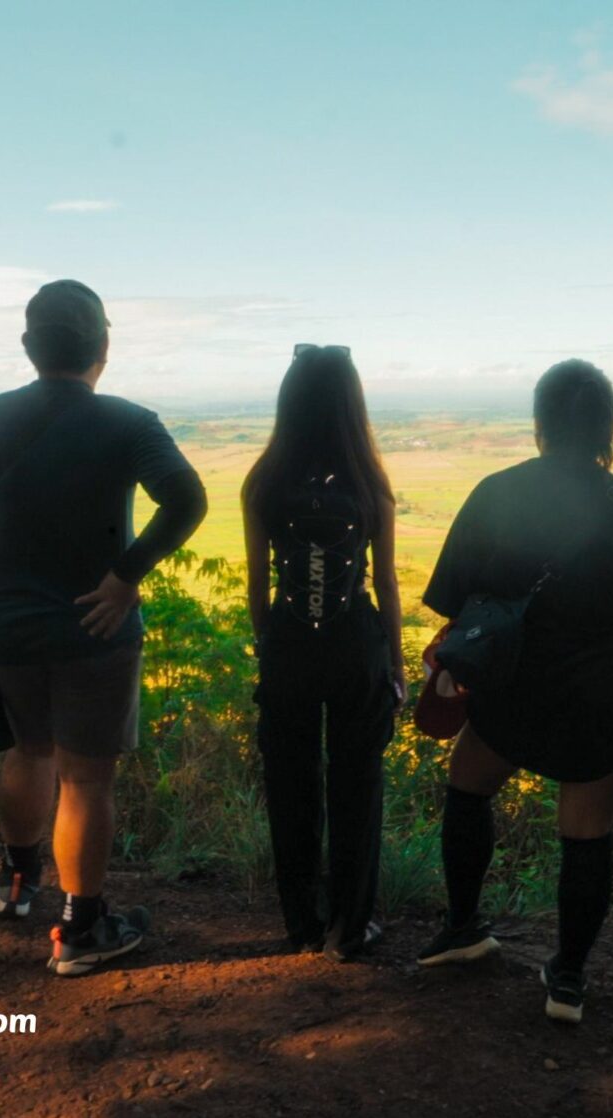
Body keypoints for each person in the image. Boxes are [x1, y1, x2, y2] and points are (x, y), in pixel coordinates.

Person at [0, 279, 207, 976]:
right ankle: (82, 930)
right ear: (103, 347)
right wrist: (127, 577)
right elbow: (185, 499)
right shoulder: (129, 422)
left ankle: (16, 880)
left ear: (30, 347)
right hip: (96, 625)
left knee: (28, 751)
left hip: (9, 623)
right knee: (87, 781)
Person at [416, 359, 613, 1023]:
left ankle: (463, 927)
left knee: (467, 784)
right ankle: (567, 979)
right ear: (609, 428)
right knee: (586, 829)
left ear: (539, 425)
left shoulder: (497, 493)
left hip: (513, 692)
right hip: (602, 699)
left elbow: (449, 598)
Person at [241, 344, 404, 963]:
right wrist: (393, 663)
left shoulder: (265, 484)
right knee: (358, 784)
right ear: (350, 406)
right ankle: (350, 926)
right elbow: (385, 585)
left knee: (290, 781)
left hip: (287, 644)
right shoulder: (369, 485)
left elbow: (259, 583)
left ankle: (301, 924)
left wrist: (271, 645)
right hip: (356, 645)